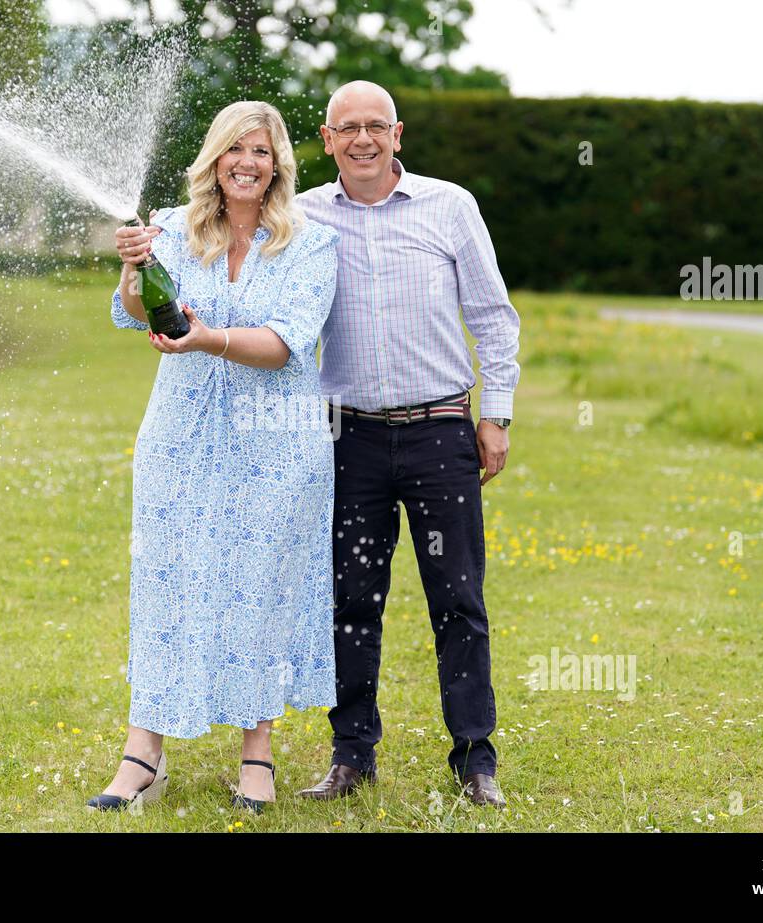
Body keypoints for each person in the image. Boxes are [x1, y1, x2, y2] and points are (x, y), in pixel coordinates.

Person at [89, 100, 340, 814]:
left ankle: (256, 753)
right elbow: (141, 312)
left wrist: (210, 340)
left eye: (262, 151)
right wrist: (134, 270)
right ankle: (143, 754)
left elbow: (287, 342)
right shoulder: (171, 226)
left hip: (278, 442)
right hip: (182, 435)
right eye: (236, 149)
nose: (248, 163)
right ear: (215, 158)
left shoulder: (309, 243)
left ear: (279, 164)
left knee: (261, 585)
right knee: (169, 579)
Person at [295, 80, 521, 808]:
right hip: (347, 437)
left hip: (439, 433)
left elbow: (492, 315)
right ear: (327, 140)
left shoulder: (449, 207)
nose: (362, 139)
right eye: (346, 128)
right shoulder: (300, 218)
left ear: (399, 134)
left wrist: (498, 415)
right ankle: (351, 754)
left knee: (458, 600)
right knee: (350, 600)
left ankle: (475, 758)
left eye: (376, 126)